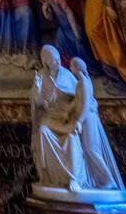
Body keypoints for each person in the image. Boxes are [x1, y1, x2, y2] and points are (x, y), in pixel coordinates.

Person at [30, 45, 85, 190]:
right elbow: (38, 103)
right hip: (50, 118)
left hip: (66, 119)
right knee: (42, 132)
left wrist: (70, 109)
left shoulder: (67, 76)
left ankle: (73, 178)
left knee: (71, 137)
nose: (58, 62)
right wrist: (38, 88)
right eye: (54, 60)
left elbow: (79, 97)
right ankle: (50, 176)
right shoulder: (42, 77)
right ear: (46, 62)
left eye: (58, 58)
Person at [70, 58, 126, 193]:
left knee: (92, 149)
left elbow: (85, 104)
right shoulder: (81, 82)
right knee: (88, 150)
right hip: (84, 118)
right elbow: (77, 102)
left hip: (87, 118)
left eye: (71, 66)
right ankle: (98, 179)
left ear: (76, 68)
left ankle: (108, 180)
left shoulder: (83, 82)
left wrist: (79, 121)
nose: (70, 68)